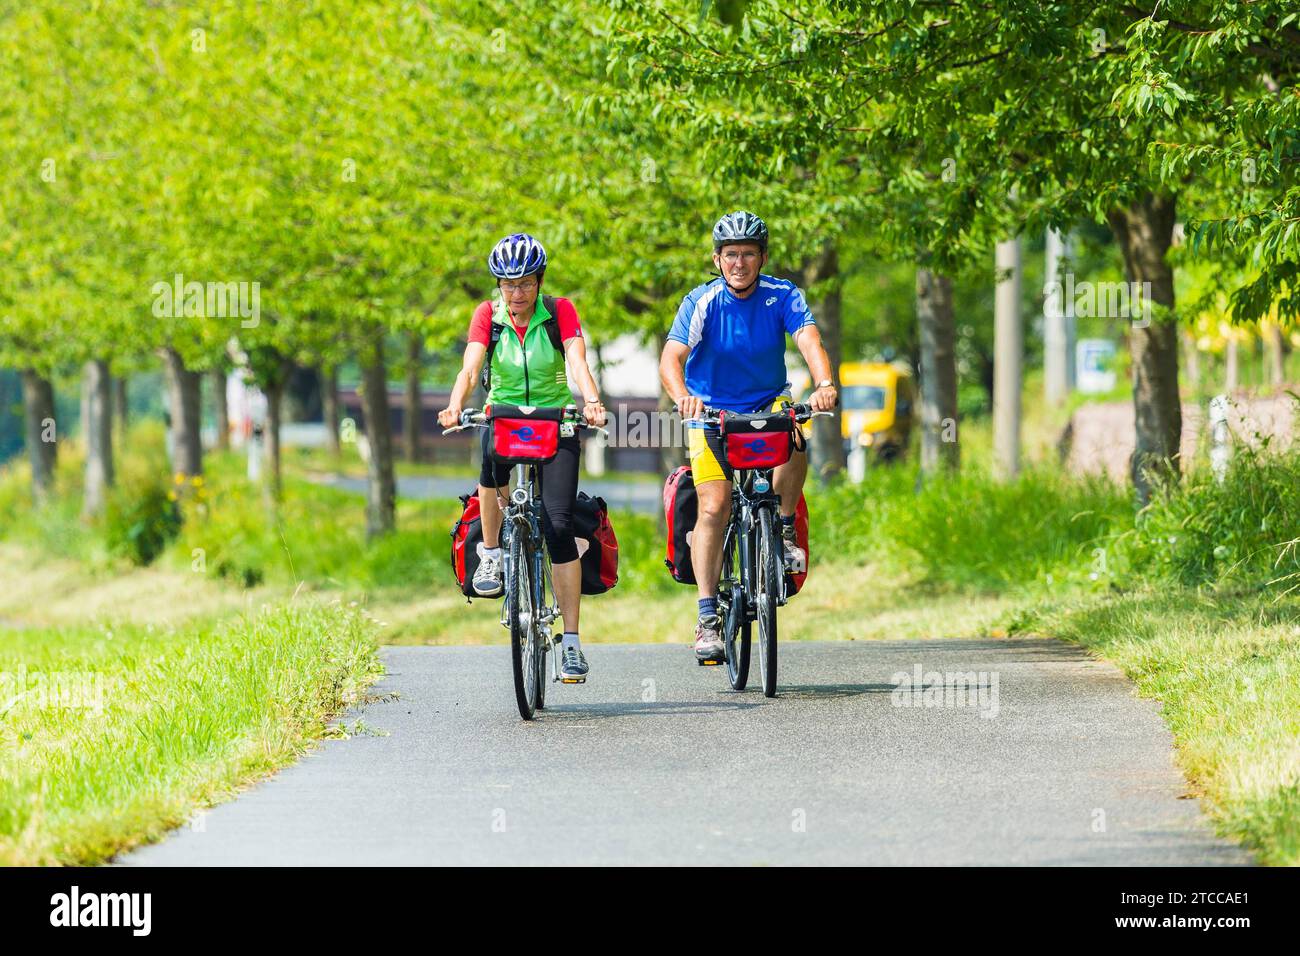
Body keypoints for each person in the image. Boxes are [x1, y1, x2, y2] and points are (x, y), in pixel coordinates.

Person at [659, 211, 838, 661]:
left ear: (762, 258)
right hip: (711, 413)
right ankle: (706, 617)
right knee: (715, 506)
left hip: (766, 403)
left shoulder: (783, 295)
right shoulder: (701, 302)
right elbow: (670, 360)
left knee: (796, 428)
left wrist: (823, 385)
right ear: (718, 259)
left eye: (749, 254)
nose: (739, 262)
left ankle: (782, 528)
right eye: (731, 254)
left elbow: (810, 341)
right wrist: (683, 397)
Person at [438, 233, 606, 681]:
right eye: (509, 284)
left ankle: (570, 642)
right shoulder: (486, 318)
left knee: (558, 525)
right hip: (505, 414)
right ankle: (491, 552)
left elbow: (576, 359)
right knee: (491, 463)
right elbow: (471, 367)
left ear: (540, 280)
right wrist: (457, 404)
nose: (518, 292)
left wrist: (591, 399)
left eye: (526, 283)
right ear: (498, 285)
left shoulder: (560, 312)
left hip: (556, 418)